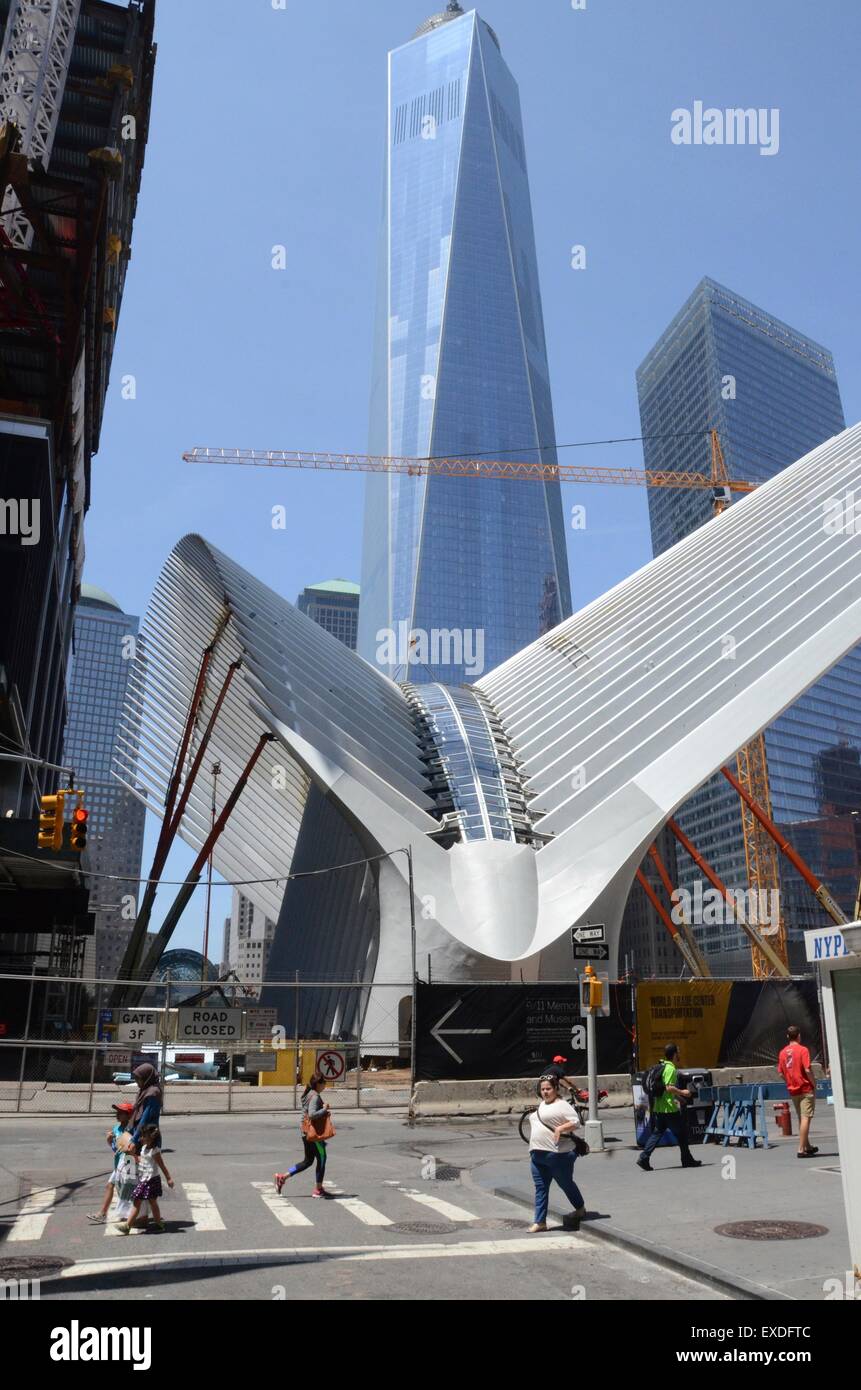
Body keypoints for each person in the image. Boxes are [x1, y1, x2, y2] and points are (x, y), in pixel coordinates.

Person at [527, 1074, 587, 1233]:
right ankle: (540, 1222)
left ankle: (580, 1208)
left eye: (548, 1088)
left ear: (555, 1089)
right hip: (537, 1156)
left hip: (558, 1155)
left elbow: (575, 1122)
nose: (545, 1092)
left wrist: (560, 1128)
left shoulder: (562, 1105)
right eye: (542, 1089)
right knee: (540, 1188)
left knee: (565, 1184)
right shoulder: (541, 1105)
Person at [637, 1043, 702, 1172]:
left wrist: (679, 1099)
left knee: (657, 1133)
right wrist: (683, 1092)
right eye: (678, 1052)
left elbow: (665, 1090)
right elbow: (669, 1087)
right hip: (669, 1109)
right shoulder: (670, 1069)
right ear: (674, 1054)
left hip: (659, 1107)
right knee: (682, 1133)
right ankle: (687, 1160)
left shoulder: (663, 1066)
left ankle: (644, 1157)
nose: (679, 1054)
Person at [274, 1071, 332, 1198]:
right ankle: (318, 1190)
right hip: (312, 1134)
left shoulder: (309, 1093)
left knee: (308, 1161)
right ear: (318, 1084)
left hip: (305, 1132)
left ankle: (283, 1177)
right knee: (322, 1159)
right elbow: (311, 1114)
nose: (325, 1086)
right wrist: (324, 1109)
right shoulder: (315, 1096)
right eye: (324, 1083)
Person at [116, 1123, 174, 1235]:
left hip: (151, 1180)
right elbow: (141, 1160)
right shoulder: (143, 1148)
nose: (141, 1138)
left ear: (151, 1138)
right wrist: (133, 1156)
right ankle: (154, 1224)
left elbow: (162, 1166)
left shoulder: (155, 1151)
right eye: (141, 1135)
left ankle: (130, 1225)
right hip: (144, 1180)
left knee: (147, 1202)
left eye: (144, 1136)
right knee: (144, 1202)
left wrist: (169, 1178)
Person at [86, 1101, 134, 1224]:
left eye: (121, 1112)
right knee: (112, 1186)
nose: (117, 1114)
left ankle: (133, 1215)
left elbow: (132, 1148)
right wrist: (109, 1141)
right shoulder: (116, 1128)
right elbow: (116, 1149)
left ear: (129, 1115)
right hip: (119, 1163)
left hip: (129, 1163)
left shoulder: (132, 1130)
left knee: (128, 1189)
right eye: (117, 1111)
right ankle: (103, 1214)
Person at [777, 1025, 818, 1158]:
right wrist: (814, 1083)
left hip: (793, 1089)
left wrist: (789, 1081)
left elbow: (780, 1073)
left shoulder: (782, 1052)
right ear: (799, 1036)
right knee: (806, 1118)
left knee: (801, 1117)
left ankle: (807, 1146)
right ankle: (801, 1149)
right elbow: (807, 1069)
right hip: (805, 1088)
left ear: (787, 1037)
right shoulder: (803, 1050)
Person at [128, 1062, 162, 1147]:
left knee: (147, 1160)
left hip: (149, 1138)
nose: (136, 1082)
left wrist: (134, 1139)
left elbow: (145, 1118)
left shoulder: (153, 1093)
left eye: (138, 1079)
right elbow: (136, 1113)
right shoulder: (143, 1090)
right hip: (140, 1135)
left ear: (147, 1078)